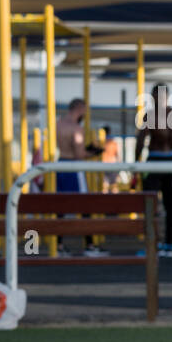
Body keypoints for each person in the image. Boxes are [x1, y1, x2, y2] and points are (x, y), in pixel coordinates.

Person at [135, 84, 172, 259]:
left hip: (154, 160)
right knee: (169, 203)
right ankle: (169, 244)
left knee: (151, 204)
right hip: (169, 160)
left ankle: (155, 243)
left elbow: (140, 141)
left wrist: (136, 164)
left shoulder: (150, 115)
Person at [53, 98, 107, 256]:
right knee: (85, 206)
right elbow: (78, 154)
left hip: (60, 165)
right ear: (80, 109)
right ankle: (89, 245)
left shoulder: (57, 124)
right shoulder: (77, 129)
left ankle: (59, 246)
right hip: (74, 168)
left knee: (60, 208)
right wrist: (94, 152)